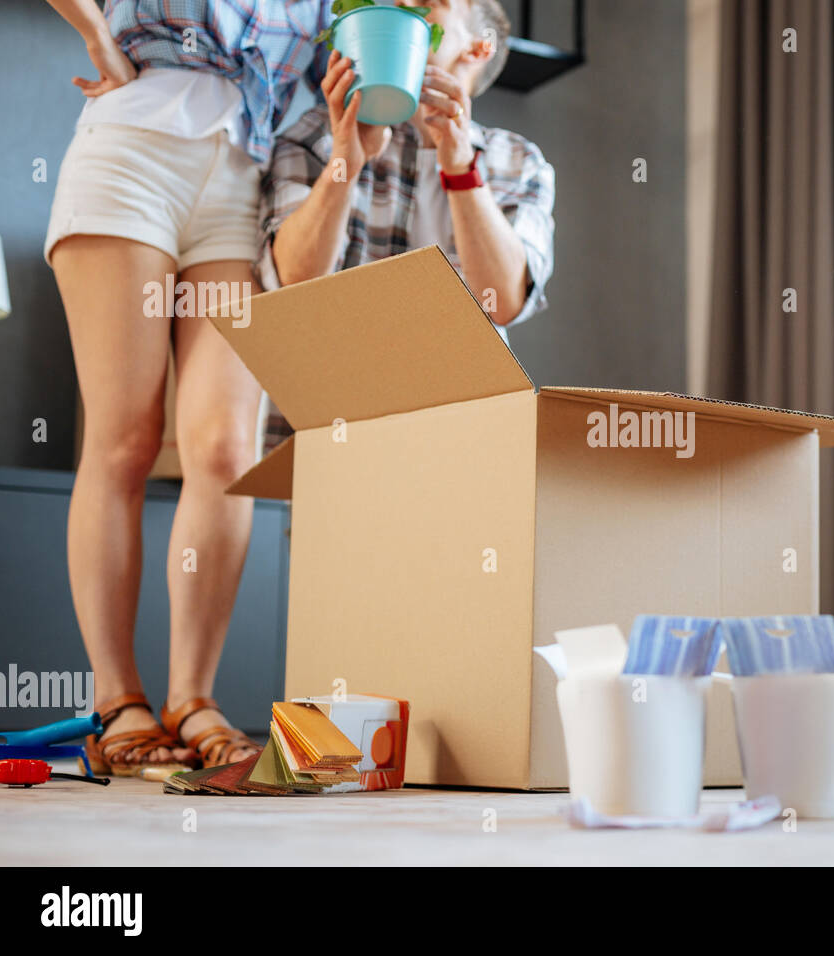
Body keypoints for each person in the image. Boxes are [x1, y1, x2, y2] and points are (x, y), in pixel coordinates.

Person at [44, 0, 331, 775]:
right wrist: (99, 36)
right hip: (132, 154)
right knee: (126, 439)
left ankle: (191, 698)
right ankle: (117, 700)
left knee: (226, 449)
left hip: (243, 179)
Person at [260, 0, 554, 334]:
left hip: (463, 379)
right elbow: (293, 283)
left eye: (430, 2)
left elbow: (503, 302)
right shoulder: (318, 135)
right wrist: (345, 164)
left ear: (477, 47)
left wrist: (461, 170)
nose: (404, 5)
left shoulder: (519, 161)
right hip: (334, 372)